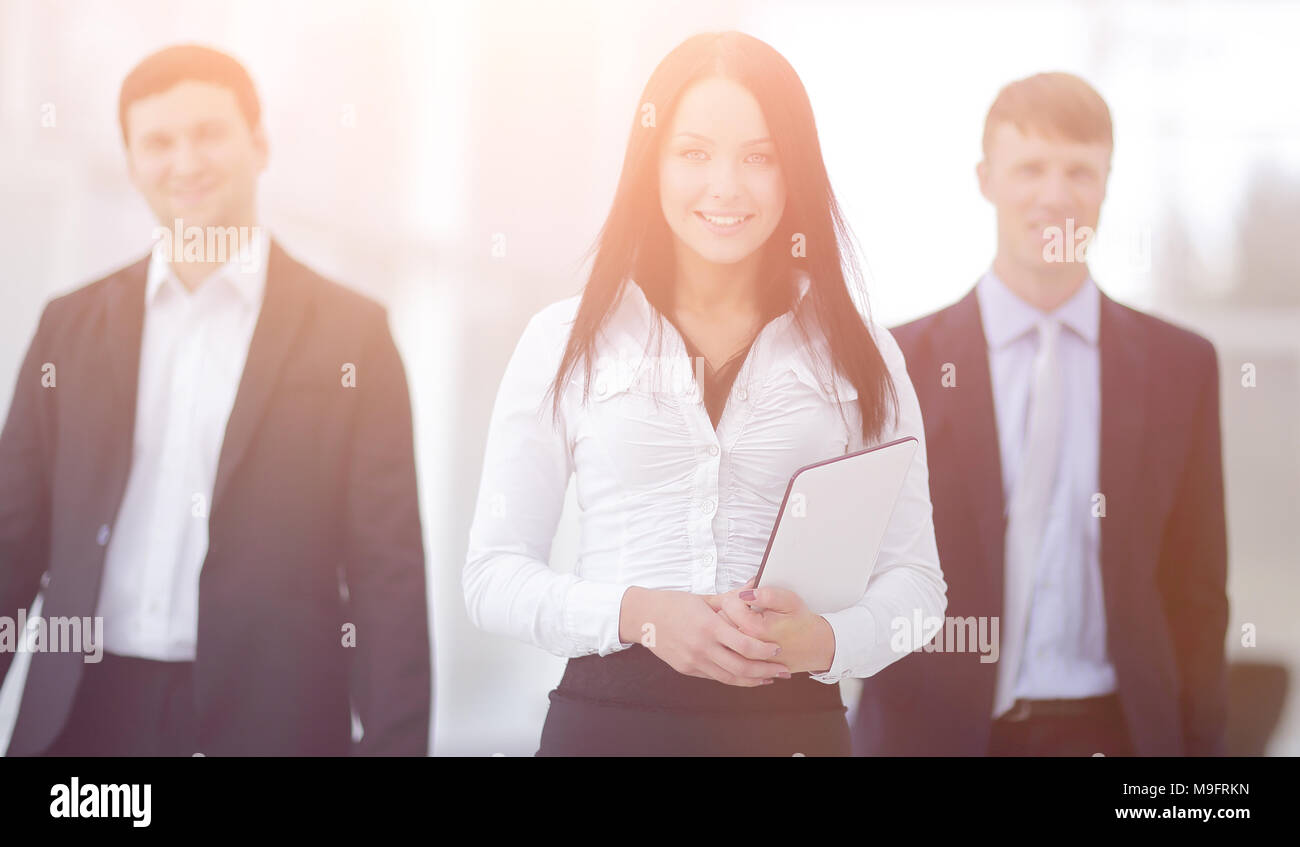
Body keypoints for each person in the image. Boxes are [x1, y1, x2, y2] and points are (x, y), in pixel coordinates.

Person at [463, 31, 946, 756]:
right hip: (608, 728)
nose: (725, 185)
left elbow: (917, 585)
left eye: (759, 156)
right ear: (651, 166)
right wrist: (640, 613)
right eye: (693, 153)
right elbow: (492, 576)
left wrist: (827, 640)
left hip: (793, 731)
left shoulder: (863, 351)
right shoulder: (563, 339)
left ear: (795, 174)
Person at [0, 44, 431, 756]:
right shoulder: (68, 325)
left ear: (259, 145)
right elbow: (12, 537)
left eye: (209, 133)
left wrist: (393, 744)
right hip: (88, 714)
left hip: (273, 718)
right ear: (133, 162)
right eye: (159, 142)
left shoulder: (353, 335)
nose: (185, 161)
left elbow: (389, 571)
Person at [853, 72, 1228, 756]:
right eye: (1030, 167)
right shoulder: (893, 363)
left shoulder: (1183, 367)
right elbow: (855, 576)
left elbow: (1199, 596)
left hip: (1117, 736)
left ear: (1108, 184)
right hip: (931, 737)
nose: (1055, 195)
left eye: (1079, 171)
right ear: (985, 178)